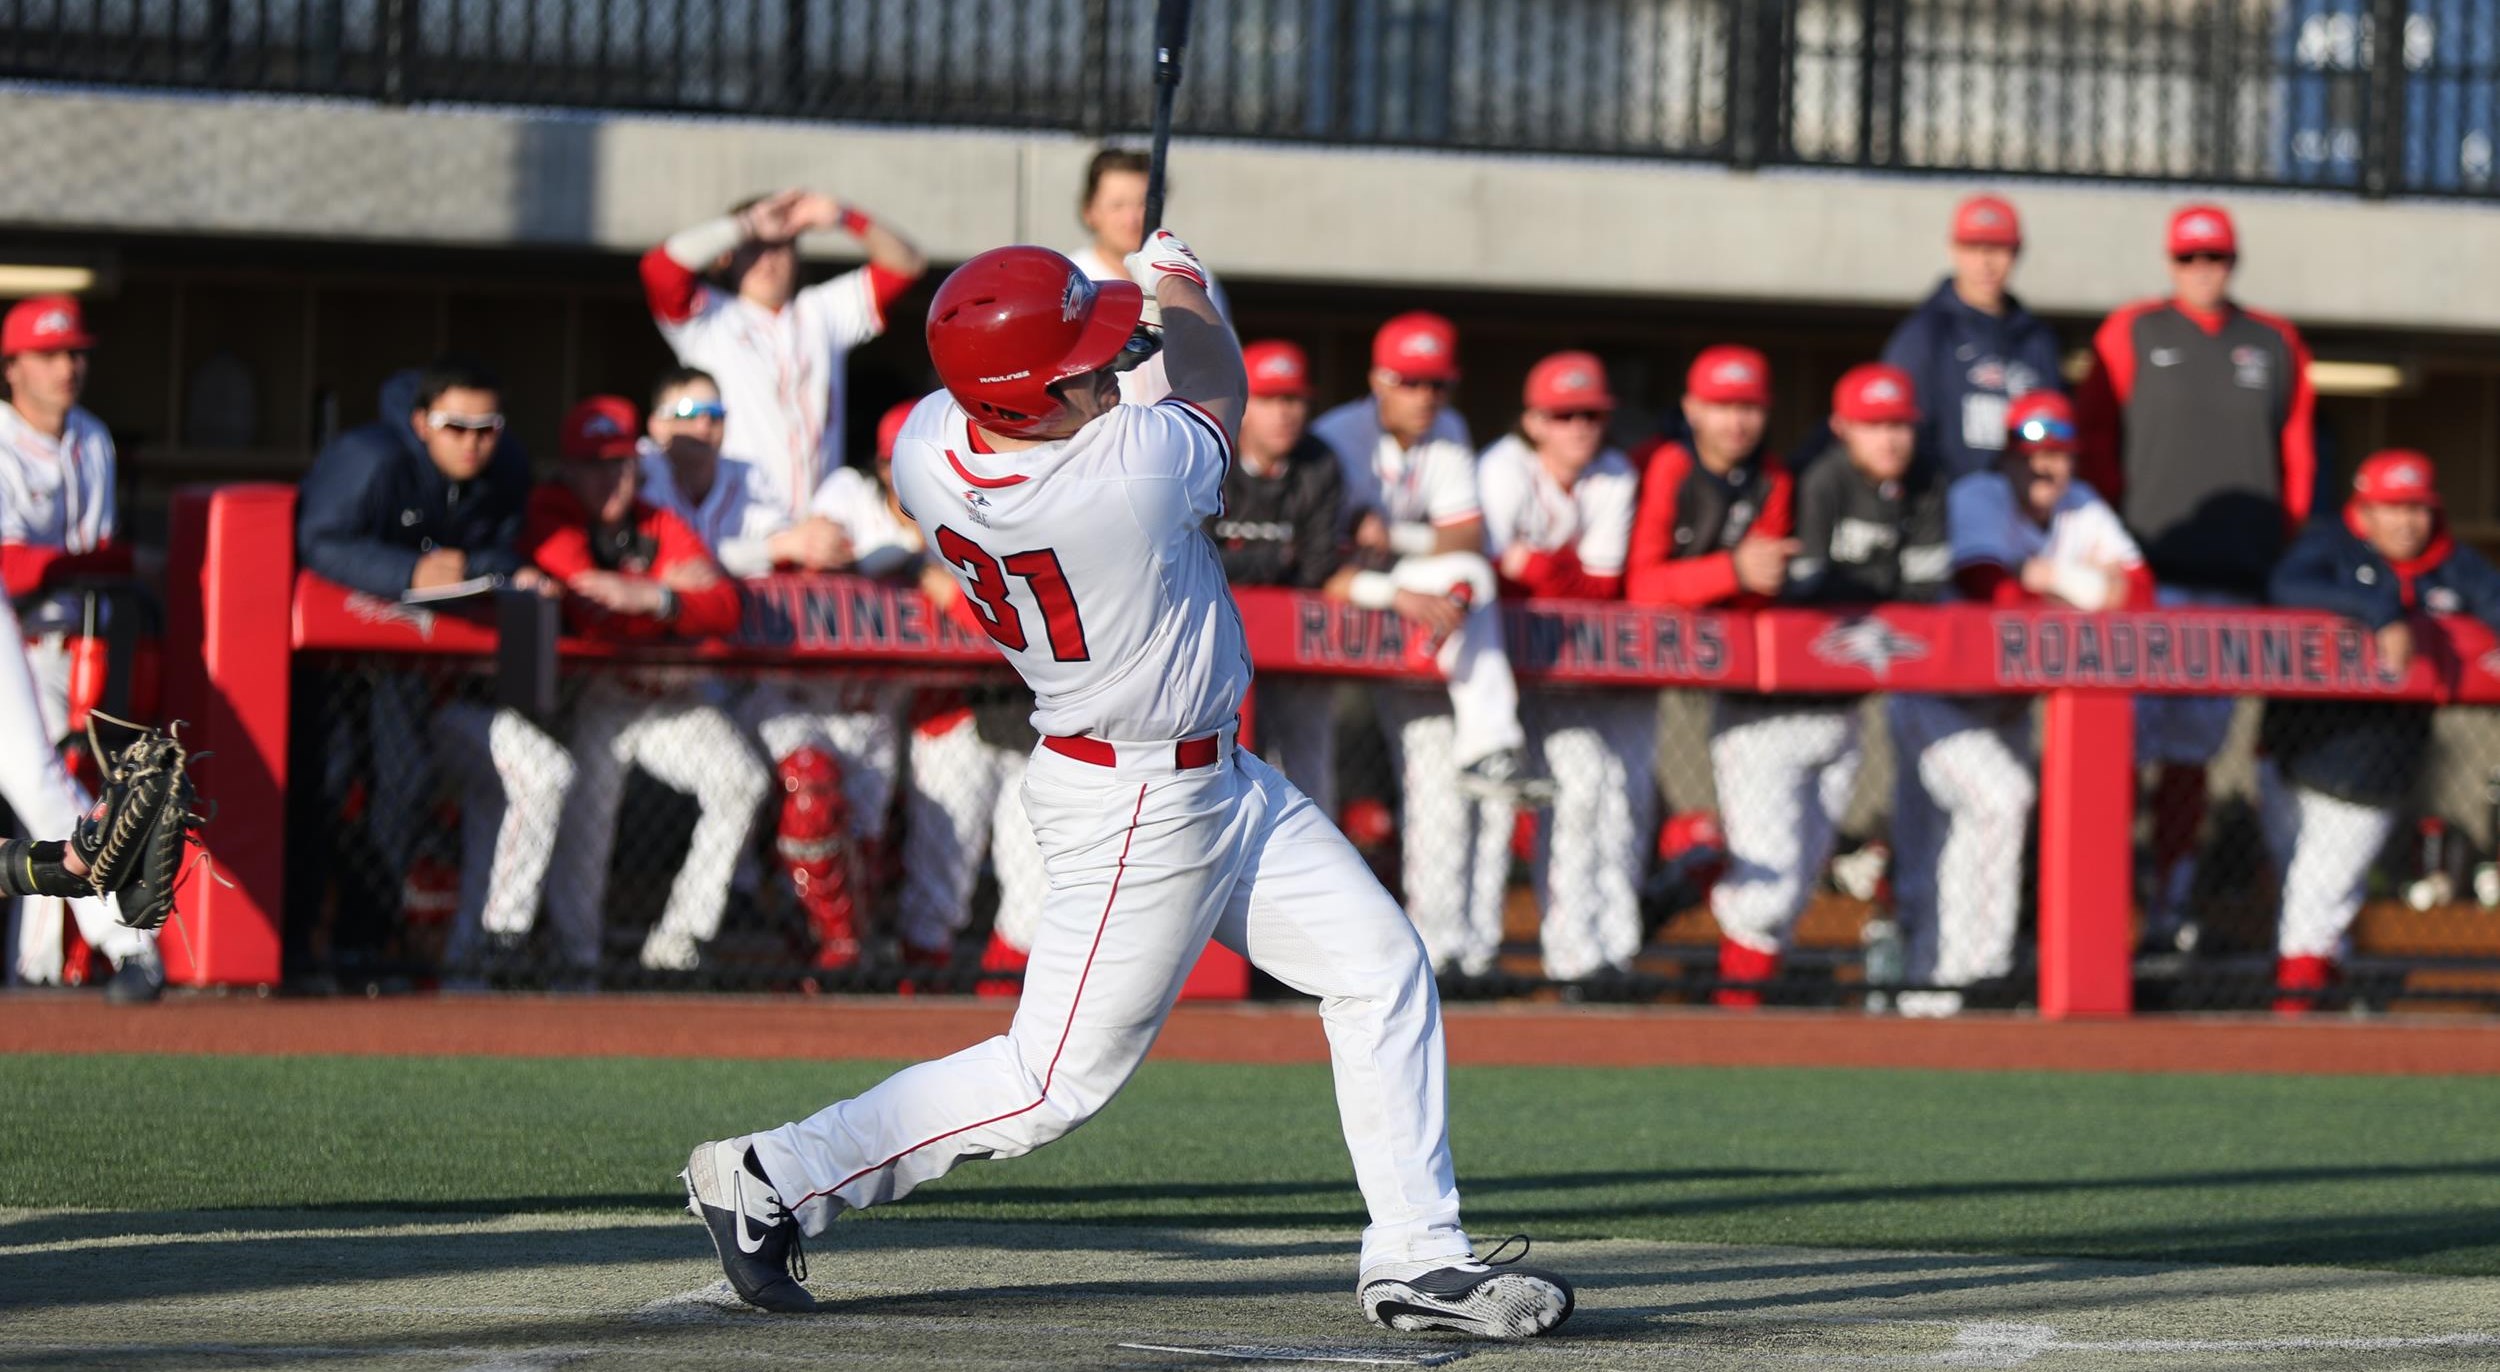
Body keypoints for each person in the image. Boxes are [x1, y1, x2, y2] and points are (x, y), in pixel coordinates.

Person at [682, 234, 1575, 1339]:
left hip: (1214, 776)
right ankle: (772, 1174)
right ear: (1024, 398)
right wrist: (1182, 288)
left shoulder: (926, 442)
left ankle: (1416, 1257)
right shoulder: (1130, 475)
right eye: (1079, 372)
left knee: (1380, 969)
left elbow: (1075, 388)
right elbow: (1216, 385)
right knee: (1046, 1083)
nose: (1102, 378)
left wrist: (1106, 343)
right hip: (1137, 801)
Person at [2075, 203, 2317, 954]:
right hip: (2149, 583)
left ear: (2232, 262)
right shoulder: (2133, 331)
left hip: (2234, 582)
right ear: (2170, 261)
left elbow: (2299, 455)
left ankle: (2169, 905)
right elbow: (2093, 439)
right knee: (2121, 746)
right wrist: (2109, 543)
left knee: (2192, 755)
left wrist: (2281, 539)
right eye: (2189, 258)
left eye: (2216, 258)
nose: (2203, 271)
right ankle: (2101, 903)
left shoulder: (2273, 341)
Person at [295, 357, 572, 978]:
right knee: (324, 786)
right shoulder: (371, 457)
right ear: (422, 423)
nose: (473, 443)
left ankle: (362, 950)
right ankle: (294, 946)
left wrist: (503, 571)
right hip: (328, 659)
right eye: (456, 427)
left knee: (406, 784)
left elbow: (498, 546)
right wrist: (406, 572)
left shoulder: (506, 467)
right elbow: (317, 540)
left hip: (407, 664)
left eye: (487, 428)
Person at [1890, 392, 2148, 1017]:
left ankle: (1953, 989)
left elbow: (2140, 596)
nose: (2045, 467)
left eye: (2058, 454)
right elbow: (1989, 587)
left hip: (2005, 709)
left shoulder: (2083, 505)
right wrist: (2086, 588)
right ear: (2007, 456)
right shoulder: (1979, 494)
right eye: (2031, 454)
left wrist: (2046, 576)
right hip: (1936, 699)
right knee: (1985, 812)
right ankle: (1956, 983)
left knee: (1978, 822)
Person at [635, 367, 894, 972]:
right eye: (686, 414)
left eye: (714, 415)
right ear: (656, 426)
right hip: (642, 690)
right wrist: (771, 549)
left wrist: (801, 546)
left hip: (733, 687)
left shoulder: (746, 477)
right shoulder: (639, 471)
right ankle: (564, 957)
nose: (702, 427)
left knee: (795, 784)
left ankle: (802, 934)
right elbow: (676, 565)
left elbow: (784, 553)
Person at [1311, 312, 1539, 982]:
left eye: (1436, 384)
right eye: (1410, 382)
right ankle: (1419, 950)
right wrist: (1390, 548)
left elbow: (1465, 541)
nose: (1425, 397)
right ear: (1378, 380)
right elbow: (1329, 554)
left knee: (1471, 576)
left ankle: (1488, 741)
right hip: (1358, 602)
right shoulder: (1337, 435)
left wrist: (1398, 538)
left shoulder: (1451, 429)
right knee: (1326, 789)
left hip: (1429, 610)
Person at [1712, 364, 1947, 1008]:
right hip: (1766, 715)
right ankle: (1701, 884)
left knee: (1798, 887)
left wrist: (1863, 595)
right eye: (1874, 425)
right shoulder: (1815, 480)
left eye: (1900, 425)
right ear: (1843, 427)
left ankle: (1739, 1015)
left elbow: (1923, 595)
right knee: (1767, 892)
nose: (1890, 438)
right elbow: (1806, 595)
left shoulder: (1924, 484)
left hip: (1843, 712)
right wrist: (1873, 594)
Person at [524, 396, 764, 977]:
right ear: (569, 468)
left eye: (620, 464)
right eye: (594, 465)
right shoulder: (550, 511)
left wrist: (656, 597)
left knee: (742, 780)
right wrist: (674, 599)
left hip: (664, 700)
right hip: (590, 698)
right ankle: (576, 961)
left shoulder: (655, 519)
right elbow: (593, 610)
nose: (609, 479)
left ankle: (678, 943)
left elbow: (726, 607)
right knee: (587, 828)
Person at [2259, 451, 2500, 1014]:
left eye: (2418, 509)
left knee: (2321, 889)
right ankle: (2324, 983)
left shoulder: (2454, 564)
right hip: (2291, 746)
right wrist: (2382, 611)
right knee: (2304, 883)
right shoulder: (2329, 545)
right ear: (2363, 511)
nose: (2408, 522)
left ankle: (2297, 1001)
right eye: (2393, 508)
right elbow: (2286, 586)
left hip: (2375, 757)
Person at [1477, 351, 1649, 985]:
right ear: (1533, 422)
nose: (1579, 427)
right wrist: (1544, 572)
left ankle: (1583, 956)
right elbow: (1489, 574)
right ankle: (1468, 958)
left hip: (1564, 672)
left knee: (1590, 794)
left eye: (1590, 415)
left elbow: (1602, 589)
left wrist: (1536, 567)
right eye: (1563, 415)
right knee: (1483, 811)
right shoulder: (1501, 467)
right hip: (1490, 670)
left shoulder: (1614, 474)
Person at [640, 188, 928, 521]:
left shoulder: (821, 310)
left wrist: (843, 217)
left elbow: (907, 265)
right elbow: (658, 269)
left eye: (780, 247)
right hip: (740, 521)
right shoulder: (710, 317)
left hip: (820, 526)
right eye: (755, 247)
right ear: (727, 257)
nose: (768, 259)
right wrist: (746, 225)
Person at [1213, 339, 1348, 812]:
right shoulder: (1212, 454)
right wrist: (1276, 559)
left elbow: (1316, 567)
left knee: (1309, 771)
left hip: (1291, 645)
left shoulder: (1319, 462)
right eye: (1270, 400)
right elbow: (1192, 557)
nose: (1285, 413)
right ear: (1244, 405)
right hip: (1213, 642)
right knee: (1221, 773)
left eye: (1294, 400)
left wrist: (1246, 562)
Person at [0, 295, 133, 742]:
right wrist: (125, 563)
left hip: (88, 647)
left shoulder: (93, 436)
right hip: (17, 649)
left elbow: (102, 550)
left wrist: (108, 563)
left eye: (75, 353)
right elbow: (9, 571)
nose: (66, 368)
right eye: (47, 355)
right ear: (11, 367)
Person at [1879, 195, 2064, 482]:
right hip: (1949, 500)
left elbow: (2058, 433)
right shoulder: (1924, 334)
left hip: (2022, 501)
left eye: (1998, 249)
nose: (1985, 262)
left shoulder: (2037, 340)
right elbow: (1903, 432)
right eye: (1973, 248)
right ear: (1952, 249)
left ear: (2017, 252)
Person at [1622, 345, 1795, 609]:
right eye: (1722, 407)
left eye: (1749, 408)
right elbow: (1641, 587)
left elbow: (1759, 593)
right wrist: (1732, 571)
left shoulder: (1774, 477)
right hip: (1653, 626)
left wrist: (1761, 573)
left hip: (1726, 625)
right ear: (1691, 409)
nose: (1736, 424)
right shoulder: (1664, 463)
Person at [1069, 146, 1233, 404]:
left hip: (1173, 425)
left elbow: (1222, 364)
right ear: (1089, 211)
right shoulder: (1069, 280)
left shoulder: (1192, 280)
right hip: (1095, 427)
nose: (1132, 218)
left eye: (1143, 203)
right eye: (1117, 205)